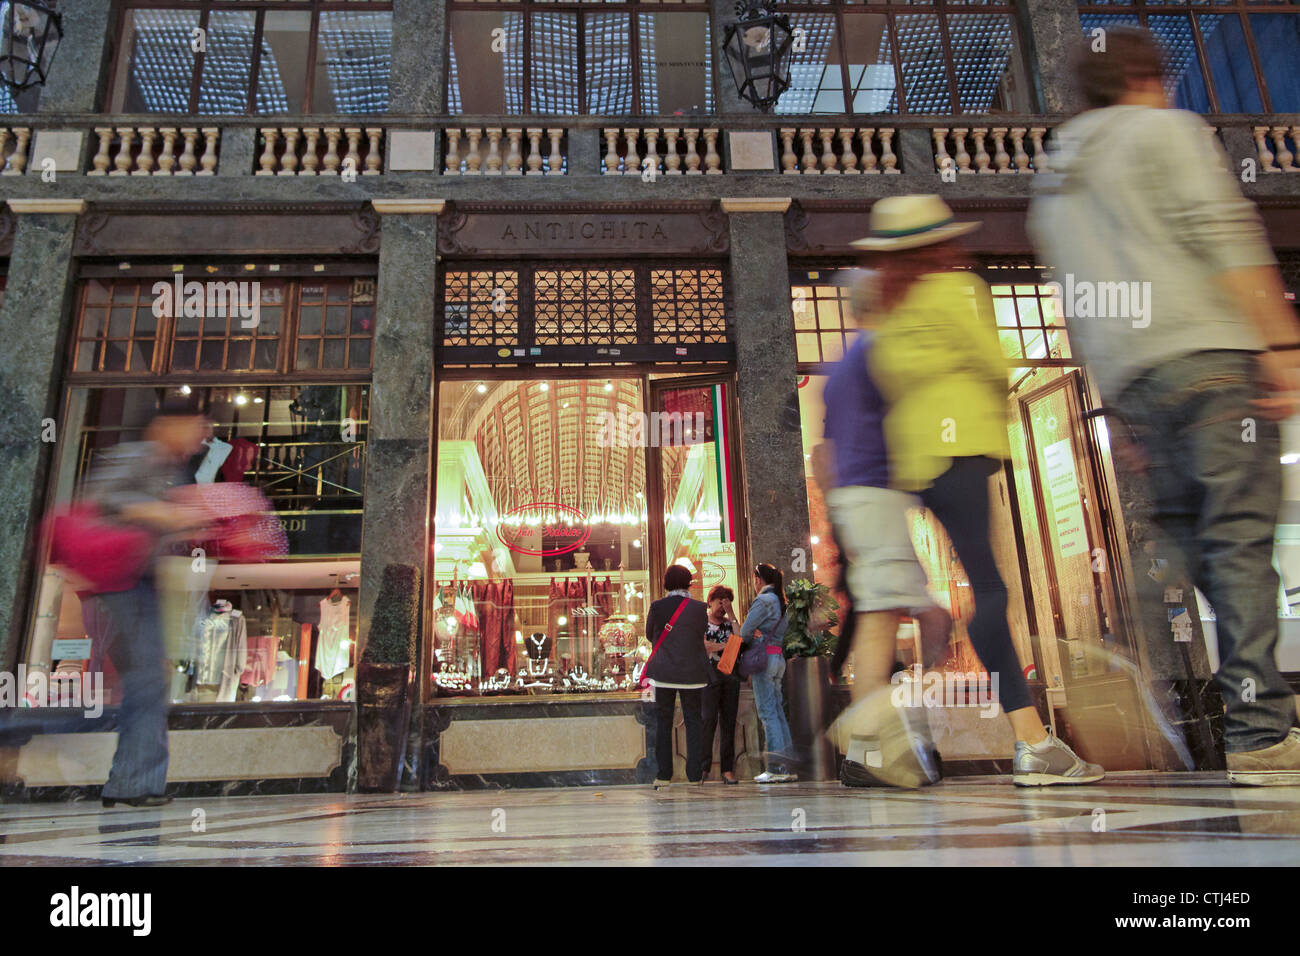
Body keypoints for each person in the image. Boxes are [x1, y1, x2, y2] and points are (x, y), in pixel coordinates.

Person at [1028, 27, 1300, 785]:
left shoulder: (1056, 178)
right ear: (1148, 77)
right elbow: (1224, 235)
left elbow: (1078, 304)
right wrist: (1281, 343)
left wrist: (1115, 405)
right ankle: (1259, 732)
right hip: (1211, 360)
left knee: (1194, 544)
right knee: (1239, 544)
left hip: (1137, 384)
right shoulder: (1165, 131)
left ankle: (1136, 657)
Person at [844, 193, 1104, 788]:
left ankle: (885, 738)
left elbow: (889, 384)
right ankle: (1032, 741)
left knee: (910, 596)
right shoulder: (956, 291)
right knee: (987, 589)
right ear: (936, 246)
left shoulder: (885, 311)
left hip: (915, 465)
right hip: (962, 453)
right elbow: (993, 365)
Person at [813, 267, 954, 787]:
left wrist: (835, 519)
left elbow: (822, 453)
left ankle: (872, 754)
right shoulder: (881, 351)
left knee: (881, 615)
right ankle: (865, 738)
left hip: (858, 500)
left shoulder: (843, 366)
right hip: (876, 494)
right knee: (885, 619)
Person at [79, 398, 211, 808]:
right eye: (196, 427)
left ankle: (133, 781)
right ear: (169, 424)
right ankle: (15, 725)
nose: (201, 437)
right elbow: (100, 501)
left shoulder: (170, 469)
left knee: (148, 681)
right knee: (146, 680)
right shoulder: (137, 456)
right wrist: (160, 514)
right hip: (123, 583)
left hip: (141, 582)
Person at [643, 564, 712, 790]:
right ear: (689, 582)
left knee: (664, 721)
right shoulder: (700, 608)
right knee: (693, 721)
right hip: (692, 672)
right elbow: (702, 633)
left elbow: (649, 634)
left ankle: (664, 775)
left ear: (666, 582)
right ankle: (694, 774)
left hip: (663, 672)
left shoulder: (657, 607)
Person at [741, 563, 796, 784]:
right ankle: (787, 766)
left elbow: (745, 632)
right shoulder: (782, 602)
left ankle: (775, 768)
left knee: (767, 714)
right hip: (778, 658)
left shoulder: (763, 601)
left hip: (763, 660)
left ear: (758, 579)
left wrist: (754, 635)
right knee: (778, 712)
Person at [700, 585, 741, 784]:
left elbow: (739, 640)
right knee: (708, 721)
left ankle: (727, 769)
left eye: (726, 602)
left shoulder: (728, 623)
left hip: (729, 676)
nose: (722, 607)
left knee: (729, 723)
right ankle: (703, 767)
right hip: (708, 677)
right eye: (720, 602)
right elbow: (704, 646)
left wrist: (732, 614)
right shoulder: (702, 623)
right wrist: (727, 645)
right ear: (710, 601)